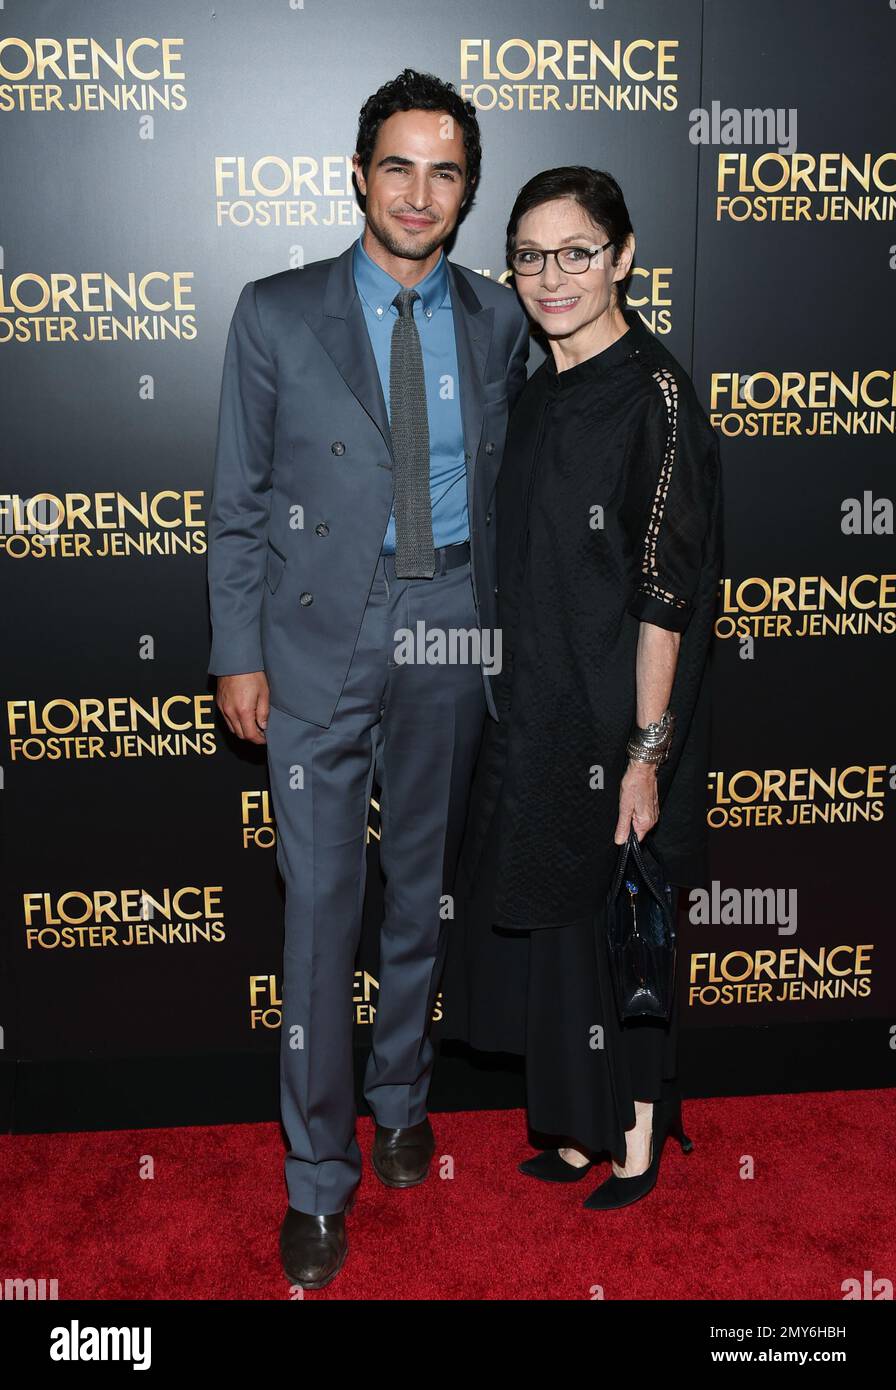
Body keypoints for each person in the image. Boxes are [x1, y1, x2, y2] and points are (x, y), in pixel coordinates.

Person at [206, 69, 530, 1287]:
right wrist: (236, 649)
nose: (417, 191)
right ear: (356, 174)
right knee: (318, 912)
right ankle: (313, 1177)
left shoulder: (499, 320)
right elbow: (235, 502)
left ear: (464, 192)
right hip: (310, 638)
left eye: (443, 171)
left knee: (422, 891)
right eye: (396, 165)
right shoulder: (277, 311)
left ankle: (401, 1096)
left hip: (451, 615)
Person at [441, 166, 723, 1211]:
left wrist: (647, 752)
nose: (549, 276)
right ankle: (571, 1126)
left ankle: (637, 1138)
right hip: (534, 702)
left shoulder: (651, 392)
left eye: (574, 252)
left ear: (622, 257)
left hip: (613, 709)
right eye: (528, 254)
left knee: (613, 923)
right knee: (554, 926)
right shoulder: (533, 382)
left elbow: (664, 592)